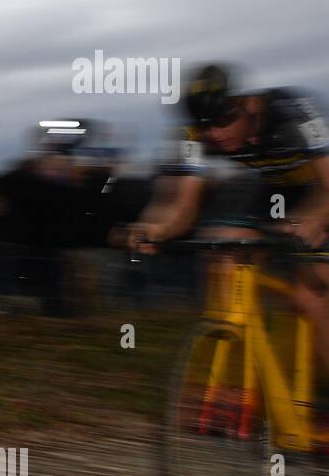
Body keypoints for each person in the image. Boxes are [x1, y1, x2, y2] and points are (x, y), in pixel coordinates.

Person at [125, 64, 329, 408]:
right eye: (204, 127)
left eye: (222, 122)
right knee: (222, 247)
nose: (214, 135)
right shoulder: (195, 135)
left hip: (320, 188)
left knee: (311, 293)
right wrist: (154, 229)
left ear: (247, 106)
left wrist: (313, 219)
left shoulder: (292, 111)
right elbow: (182, 206)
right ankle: (237, 377)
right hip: (275, 191)